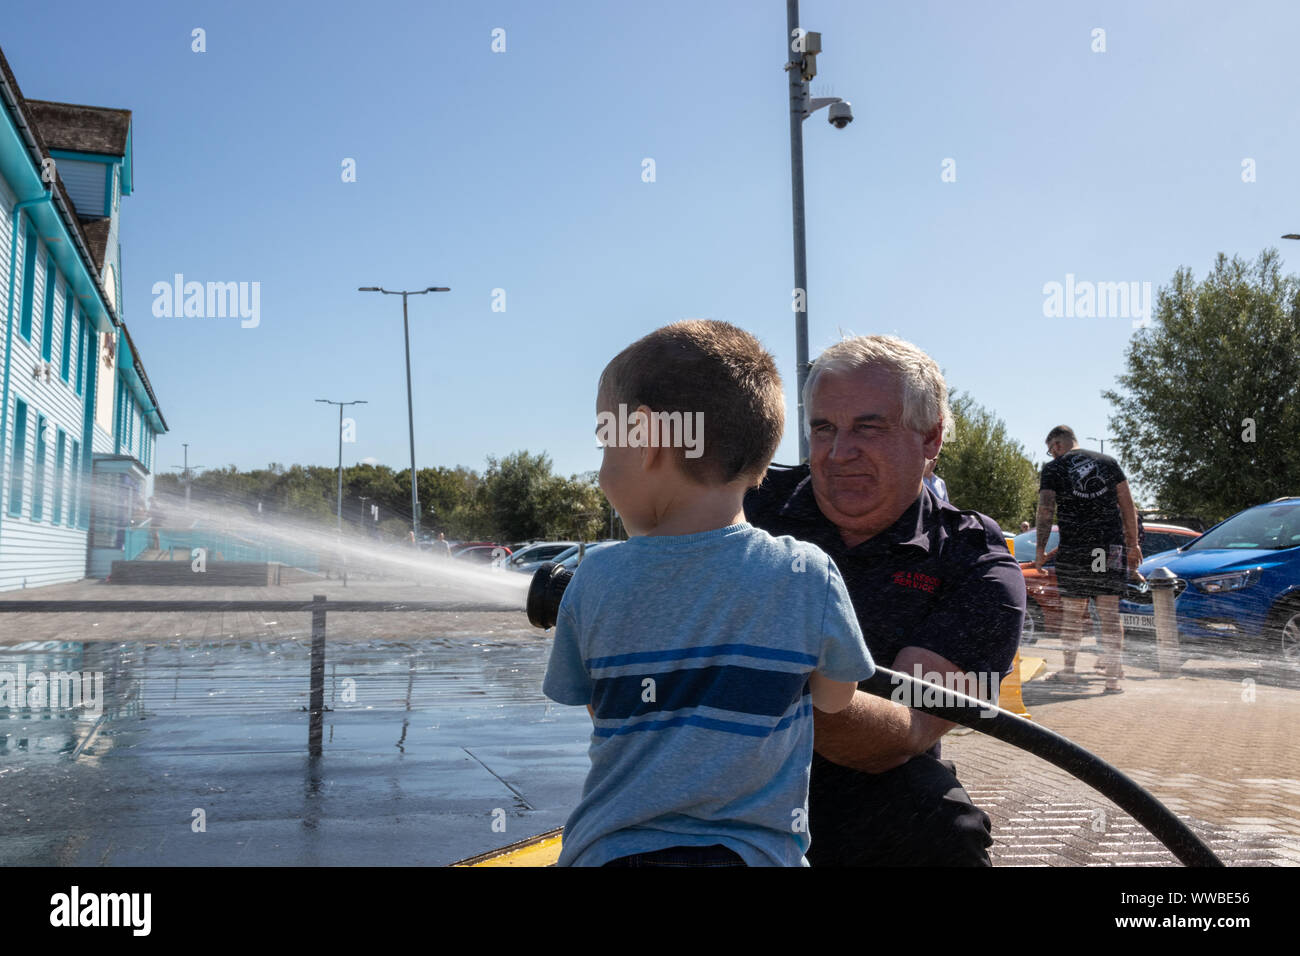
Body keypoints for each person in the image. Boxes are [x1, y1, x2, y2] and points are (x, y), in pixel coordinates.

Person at [542, 320, 875, 867]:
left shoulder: (595, 577)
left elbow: (602, 712)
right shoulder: (806, 572)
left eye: (606, 443)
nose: (602, 472)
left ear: (646, 440)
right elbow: (836, 699)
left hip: (610, 853)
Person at [745, 334, 1024, 866]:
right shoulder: (748, 506)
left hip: (862, 779)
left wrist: (765, 665)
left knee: (944, 825)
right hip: (726, 761)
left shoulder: (973, 560)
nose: (838, 452)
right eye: (823, 428)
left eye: (868, 427)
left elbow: (902, 732)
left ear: (932, 437)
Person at [1033, 426, 1141, 693]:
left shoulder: (1054, 468)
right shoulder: (1108, 462)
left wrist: (1040, 549)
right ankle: (1112, 680)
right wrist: (1133, 544)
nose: (1052, 454)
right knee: (1109, 615)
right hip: (1108, 548)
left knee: (1072, 615)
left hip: (1076, 548)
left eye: (1051, 449)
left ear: (1057, 445)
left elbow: (1046, 510)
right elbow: (1128, 504)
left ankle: (1069, 672)